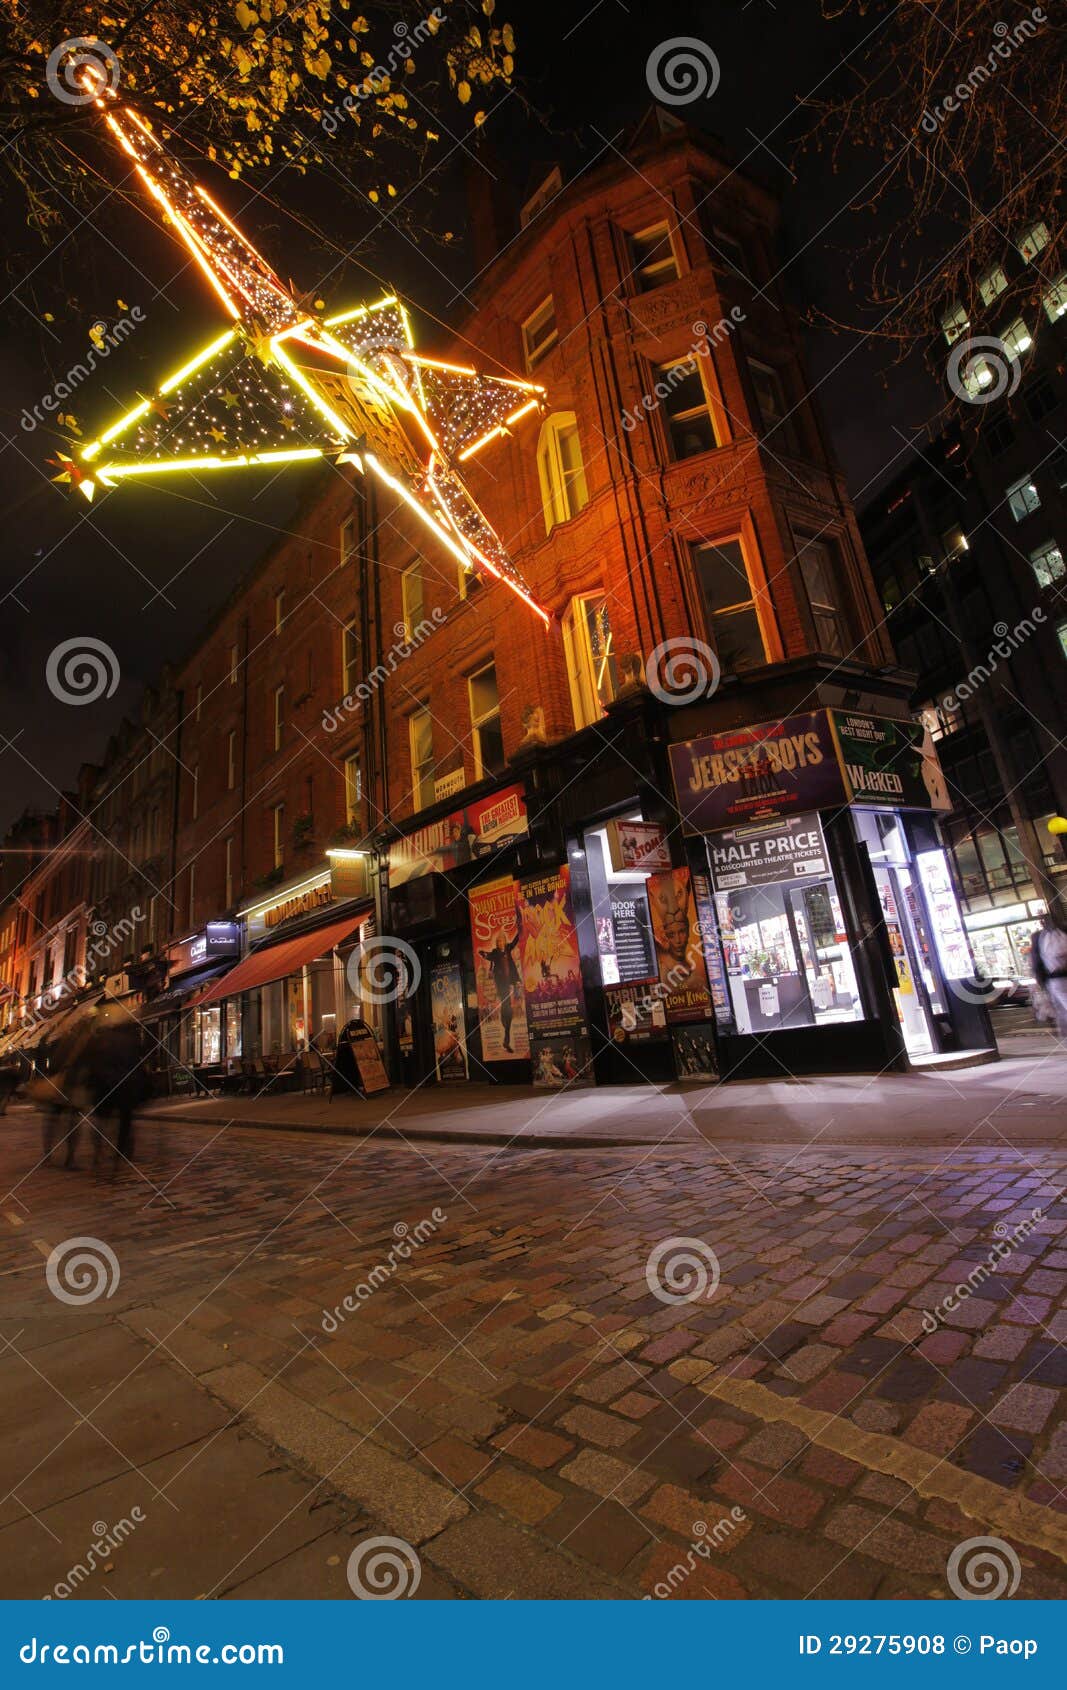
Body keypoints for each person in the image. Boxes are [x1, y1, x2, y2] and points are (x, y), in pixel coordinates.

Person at [479, 920, 522, 1053]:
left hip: (513, 981)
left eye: (502, 941)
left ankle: (505, 1025)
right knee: (507, 1006)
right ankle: (506, 1037)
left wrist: (520, 928)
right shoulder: (495, 952)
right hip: (502, 983)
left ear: (504, 941)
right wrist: (484, 954)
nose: (500, 944)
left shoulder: (508, 948)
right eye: (498, 942)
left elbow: (516, 940)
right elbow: (488, 955)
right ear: (497, 943)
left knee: (510, 1006)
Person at [1032, 912, 1067, 1037]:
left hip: (1055, 980)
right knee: (1061, 1009)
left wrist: (1041, 981)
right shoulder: (1064, 931)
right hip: (1059, 977)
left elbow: (1037, 962)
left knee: (1061, 1009)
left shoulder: (1038, 937)